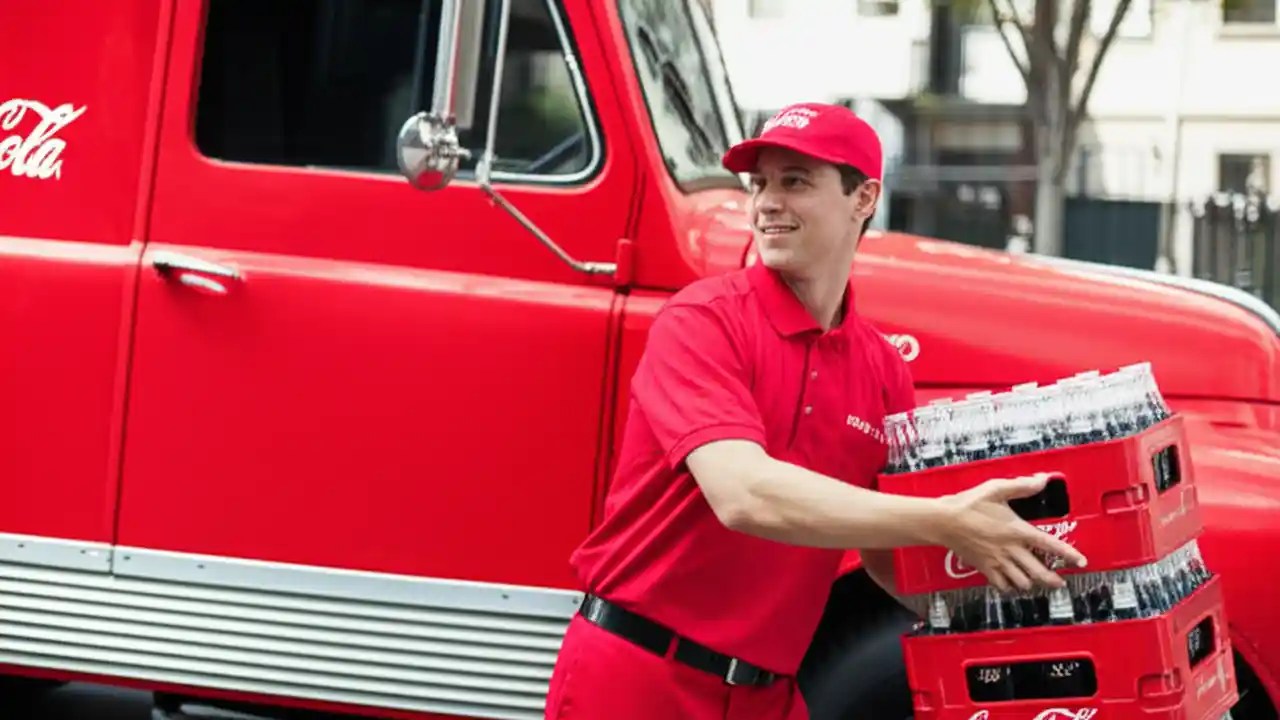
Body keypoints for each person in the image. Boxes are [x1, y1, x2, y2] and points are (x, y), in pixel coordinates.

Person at [542, 102, 1087, 720]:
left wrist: (1041, 618)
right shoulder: (701, 322)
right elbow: (743, 494)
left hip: (767, 697)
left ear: (864, 198)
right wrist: (946, 519)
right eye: (761, 184)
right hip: (639, 681)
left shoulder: (882, 369)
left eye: (795, 181)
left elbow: (890, 558)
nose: (767, 202)